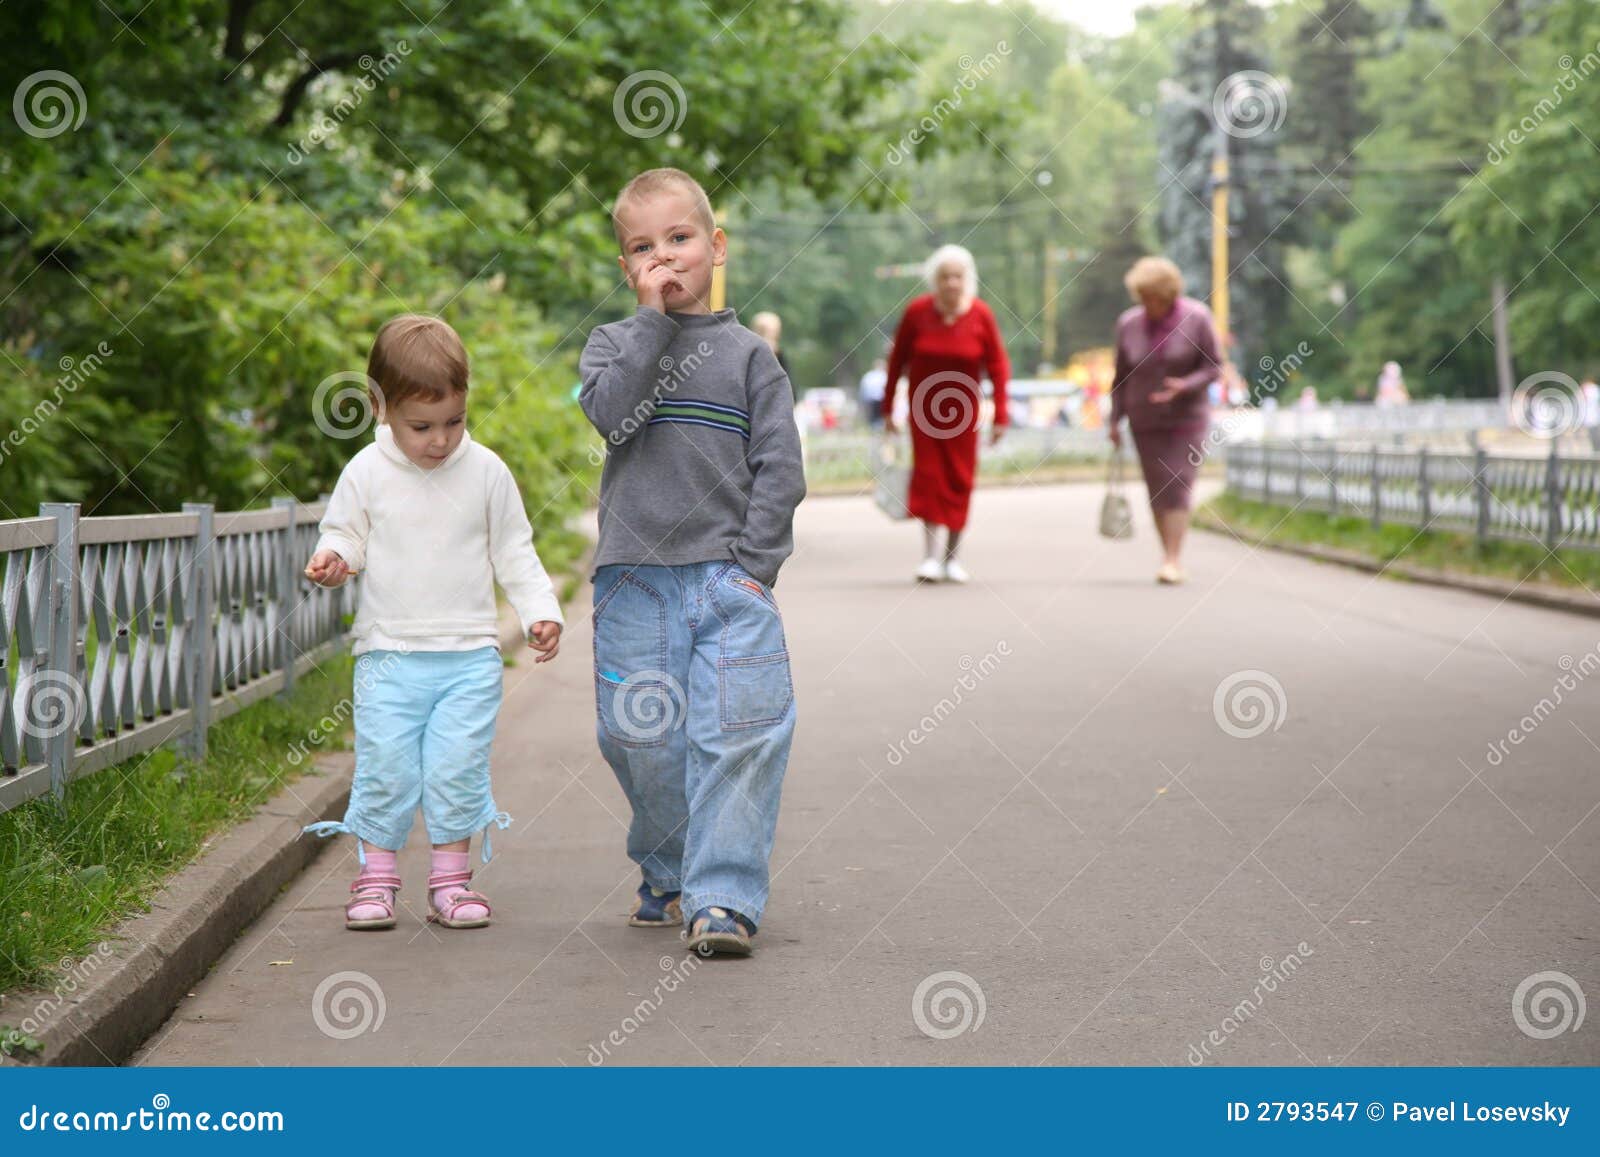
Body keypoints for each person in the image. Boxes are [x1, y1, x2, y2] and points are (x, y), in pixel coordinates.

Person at [580, 168, 806, 957]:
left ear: (717, 247)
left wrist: (753, 566)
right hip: (633, 583)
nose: (664, 257)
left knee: (741, 734)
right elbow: (615, 418)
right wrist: (651, 322)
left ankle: (723, 898)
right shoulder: (614, 346)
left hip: (726, 580)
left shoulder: (752, 358)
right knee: (639, 739)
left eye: (679, 238)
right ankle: (670, 867)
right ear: (626, 269)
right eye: (644, 248)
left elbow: (780, 468)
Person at [302, 314, 565, 931]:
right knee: (386, 771)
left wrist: (540, 611)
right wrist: (335, 558)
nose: (441, 440)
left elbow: (514, 549)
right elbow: (346, 534)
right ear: (380, 408)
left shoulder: (487, 472)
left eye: (455, 421)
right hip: (387, 657)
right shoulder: (366, 471)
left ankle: (451, 885)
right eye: (421, 426)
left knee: (457, 771)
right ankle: (375, 881)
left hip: (469, 658)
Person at [881, 243, 1010, 584]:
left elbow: (998, 366)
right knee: (929, 478)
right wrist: (888, 407)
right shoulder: (917, 312)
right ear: (934, 280)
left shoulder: (981, 315)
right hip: (923, 414)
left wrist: (1001, 415)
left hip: (964, 416)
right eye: (945, 277)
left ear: (967, 279)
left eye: (957, 276)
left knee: (959, 480)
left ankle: (953, 558)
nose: (952, 283)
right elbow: (896, 362)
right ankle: (929, 558)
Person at [1109, 256, 1223, 585]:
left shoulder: (1197, 318)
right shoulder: (1128, 323)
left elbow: (1214, 366)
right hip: (1144, 419)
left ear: (1169, 294)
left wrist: (1184, 385)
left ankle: (1173, 558)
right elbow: (1120, 376)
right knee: (1157, 487)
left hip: (1187, 418)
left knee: (1178, 482)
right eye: (1143, 297)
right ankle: (1168, 554)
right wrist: (1114, 419)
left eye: (1154, 297)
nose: (1149, 304)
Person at [859, 356, 888, 429]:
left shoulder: (868, 376)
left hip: (871, 400)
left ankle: (874, 429)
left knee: (873, 417)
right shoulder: (883, 375)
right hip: (880, 399)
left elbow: (863, 389)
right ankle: (877, 429)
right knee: (878, 416)